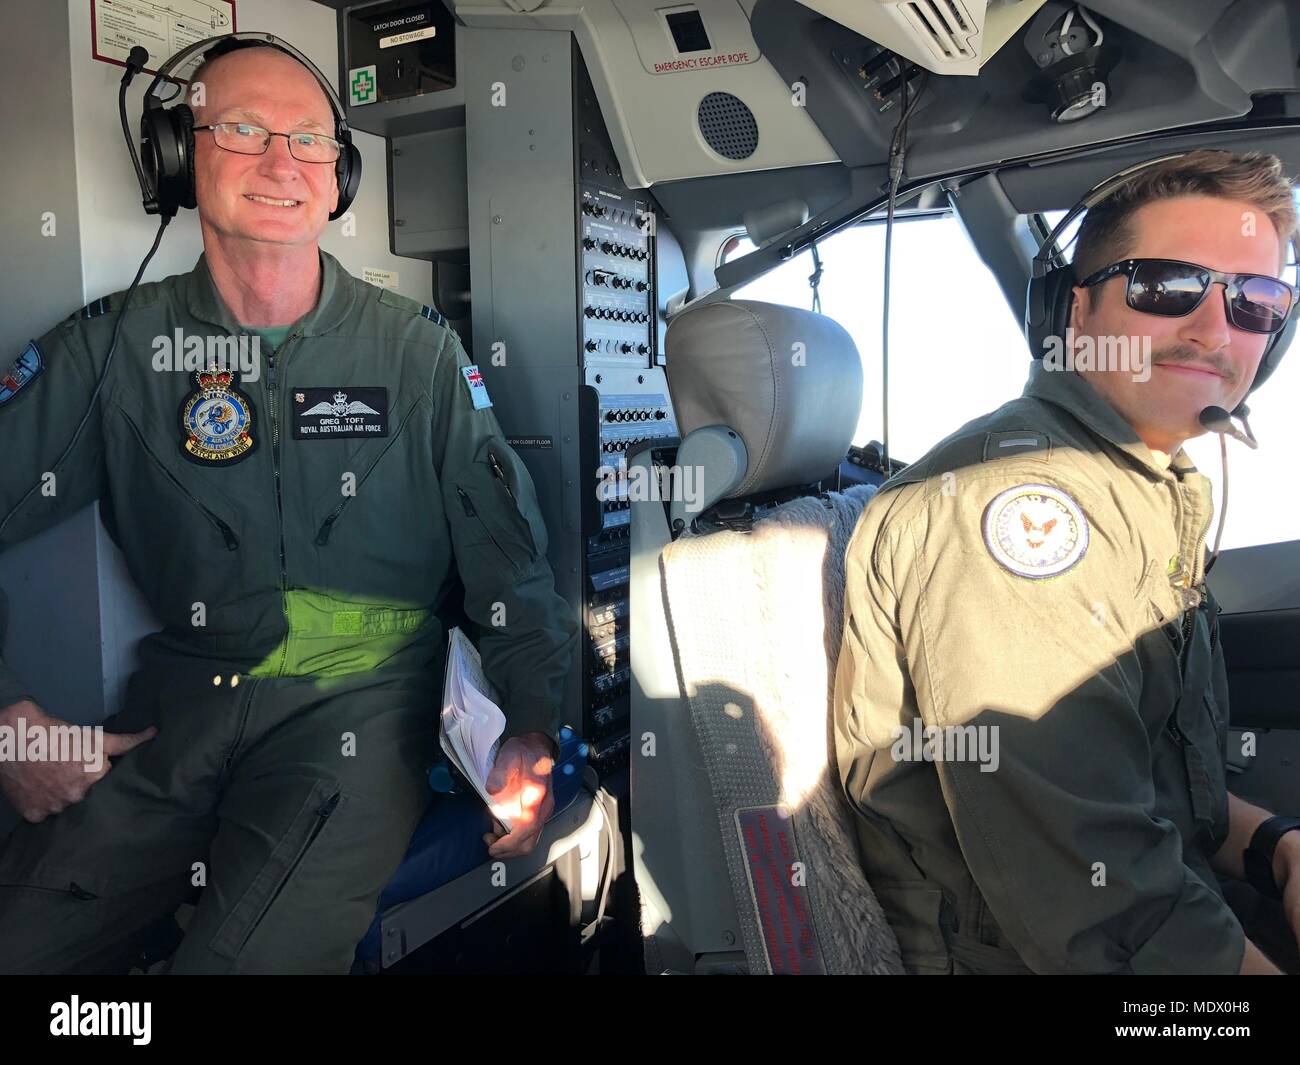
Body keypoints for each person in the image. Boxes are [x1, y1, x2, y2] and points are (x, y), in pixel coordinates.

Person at [0, 36, 576, 974]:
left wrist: (532, 728)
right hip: (185, 706)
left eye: (309, 139)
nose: (281, 161)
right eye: (243, 129)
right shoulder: (112, 350)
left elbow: (510, 566)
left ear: (339, 175)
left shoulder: (415, 353)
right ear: (180, 156)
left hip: (365, 704)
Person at [833, 149, 1300, 974]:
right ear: (1076, 314)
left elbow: (1149, 783)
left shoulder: (1143, 485)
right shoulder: (1018, 511)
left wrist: (1275, 847)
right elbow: (1102, 904)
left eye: (1258, 301)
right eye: (1167, 287)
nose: (1214, 328)